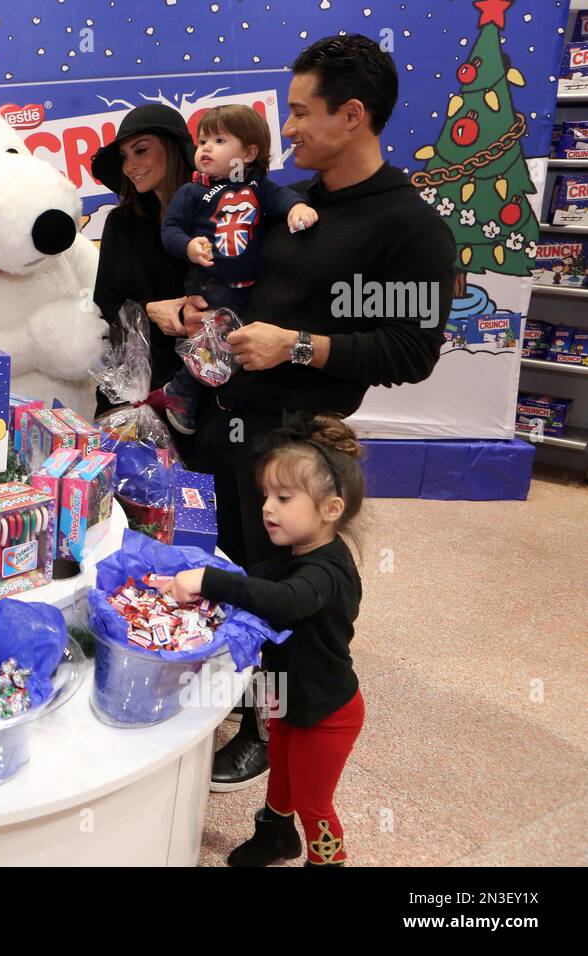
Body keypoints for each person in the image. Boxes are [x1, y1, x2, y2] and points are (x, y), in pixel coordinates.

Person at [188, 35, 455, 791]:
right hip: (228, 422)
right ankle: (238, 698)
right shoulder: (293, 201)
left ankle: (267, 732)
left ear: (354, 115)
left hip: (295, 448)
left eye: (303, 113)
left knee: (284, 596)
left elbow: (409, 351)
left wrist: (297, 347)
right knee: (236, 574)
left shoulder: (407, 227)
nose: (291, 126)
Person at [156, 414, 365, 866]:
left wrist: (208, 579)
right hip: (281, 689)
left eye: (284, 497)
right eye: (266, 495)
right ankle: (275, 835)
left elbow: (283, 602)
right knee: (281, 778)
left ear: (332, 509)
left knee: (313, 801)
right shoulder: (293, 553)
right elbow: (255, 588)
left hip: (325, 708)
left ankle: (328, 860)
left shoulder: (325, 572)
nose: (268, 507)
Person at [158, 105, 319, 435]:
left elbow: (285, 198)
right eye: (202, 140)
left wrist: (299, 208)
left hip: (249, 288)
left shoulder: (259, 188)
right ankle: (181, 389)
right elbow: (170, 229)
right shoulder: (194, 191)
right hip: (209, 282)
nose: (205, 148)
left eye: (218, 140)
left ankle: (198, 395)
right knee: (216, 339)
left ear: (248, 153)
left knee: (236, 344)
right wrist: (189, 246)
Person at [90, 104, 207, 445]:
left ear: (173, 149)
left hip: (200, 393)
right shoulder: (121, 223)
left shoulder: (212, 217)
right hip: (129, 392)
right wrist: (149, 309)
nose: (131, 166)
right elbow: (105, 303)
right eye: (125, 156)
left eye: (141, 150)